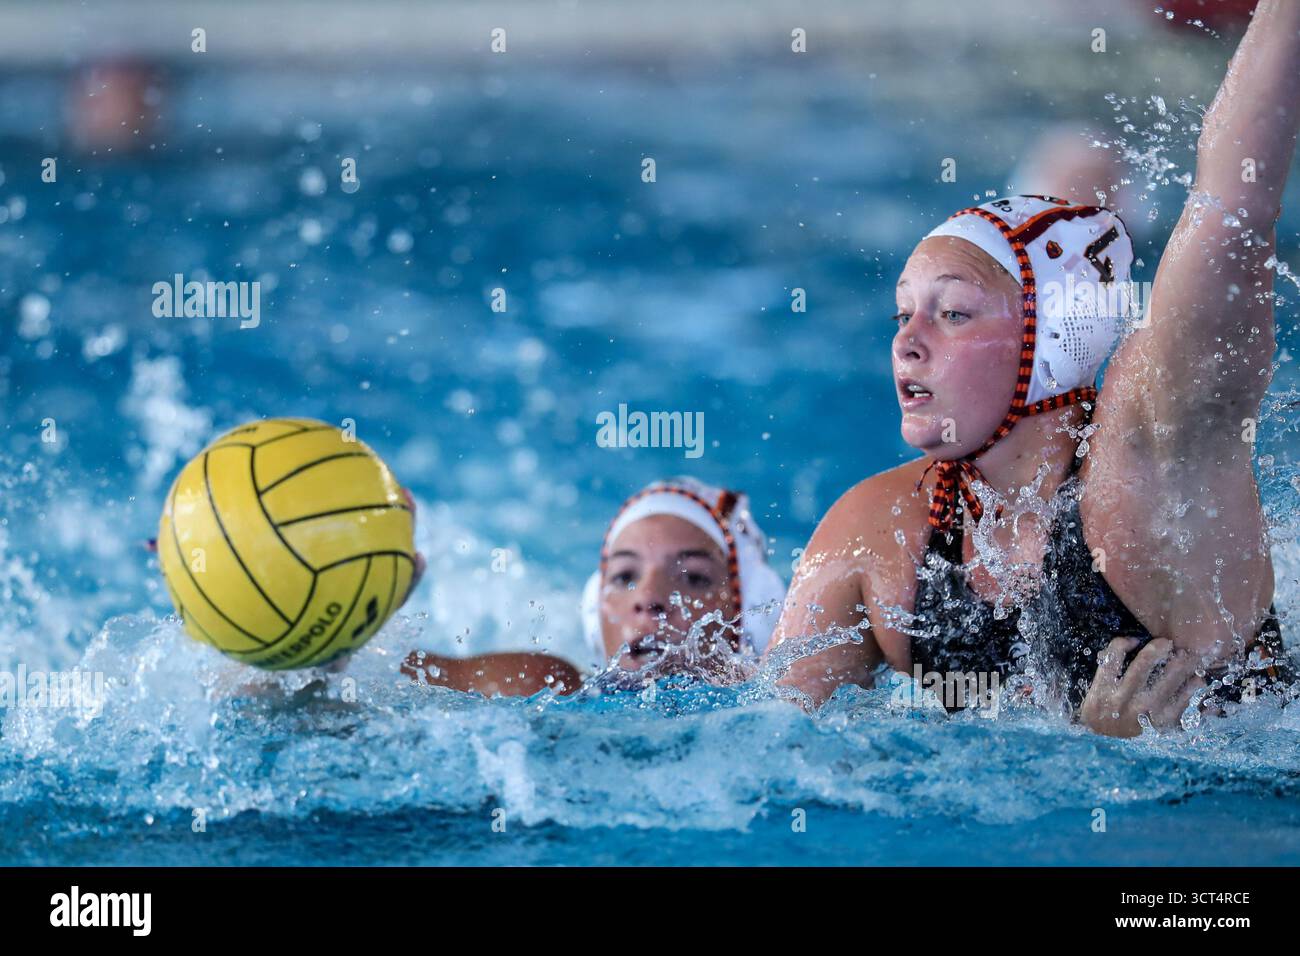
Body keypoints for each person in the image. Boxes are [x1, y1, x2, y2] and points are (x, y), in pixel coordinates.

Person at [768, 0, 1299, 737]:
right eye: (903, 314)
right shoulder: (876, 533)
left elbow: (1234, 202)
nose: (906, 344)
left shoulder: (1156, 467)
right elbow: (769, 760)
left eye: (952, 313)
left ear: (1050, 341)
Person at [401, 477, 786, 695]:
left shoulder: (784, 713)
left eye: (694, 579)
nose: (649, 599)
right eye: (624, 577)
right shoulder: (546, 688)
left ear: (746, 613)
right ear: (594, 611)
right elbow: (376, 683)